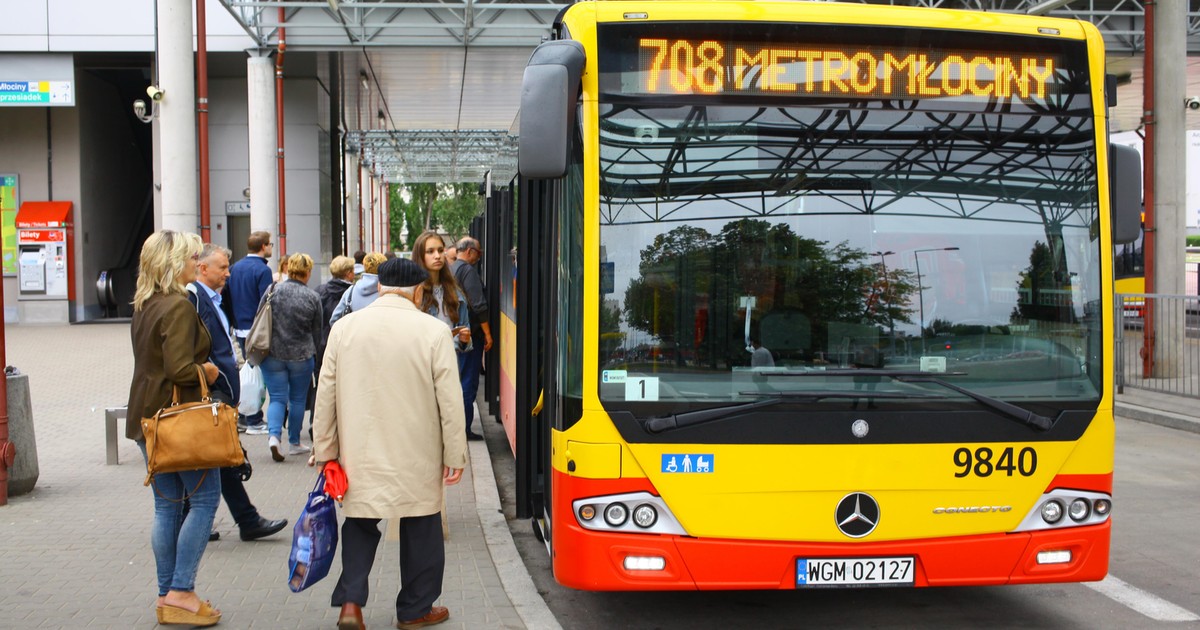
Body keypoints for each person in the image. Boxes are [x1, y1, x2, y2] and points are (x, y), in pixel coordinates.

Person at [314, 257, 467, 630]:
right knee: (422, 526)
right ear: (418, 291)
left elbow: (326, 394)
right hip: (417, 450)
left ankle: (351, 605)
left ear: (379, 286)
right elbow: (450, 399)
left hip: (358, 450)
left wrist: (325, 450)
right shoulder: (433, 331)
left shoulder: (345, 328)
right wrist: (455, 453)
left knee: (360, 524)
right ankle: (415, 610)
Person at [127, 230, 223, 627]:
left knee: (166, 509)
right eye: (188, 257)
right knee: (203, 502)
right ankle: (182, 591)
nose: (194, 263)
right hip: (179, 419)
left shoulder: (144, 304)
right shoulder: (179, 307)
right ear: (172, 263)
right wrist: (209, 370)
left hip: (146, 418)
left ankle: (168, 594)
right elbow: (180, 368)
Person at [188, 243, 289, 542]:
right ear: (203, 268)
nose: (228, 273)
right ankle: (236, 520)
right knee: (215, 460)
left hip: (220, 393)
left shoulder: (216, 298)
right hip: (209, 394)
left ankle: (242, 521)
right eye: (222, 268)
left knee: (221, 460)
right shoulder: (193, 299)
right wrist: (212, 375)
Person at [260, 252, 324, 461]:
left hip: (272, 353)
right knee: (297, 399)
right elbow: (317, 330)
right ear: (307, 272)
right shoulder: (313, 297)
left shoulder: (272, 290)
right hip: (301, 355)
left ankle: (273, 437)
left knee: (277, 398)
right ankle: (295, 442)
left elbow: (259, 315)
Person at [228, 231, 274, 434]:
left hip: (239, 327)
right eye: (270, 244)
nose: (271, 247)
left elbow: (227, 297)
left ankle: (245, 416)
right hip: (258, 330)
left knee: (247, 373)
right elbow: (267, 302)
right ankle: (254, 418)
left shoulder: (235, 268)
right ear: (264, 247)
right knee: (260, 376)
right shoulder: (263, 271)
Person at [451, 237, 492, 441]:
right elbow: (478, 304)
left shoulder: (450, 269)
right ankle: (465, 429)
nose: (480, 256)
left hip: (453, 333)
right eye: (478, 251)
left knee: (457, 380)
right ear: (469, 251)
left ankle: (456, 427)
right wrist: (487, 333)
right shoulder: (468, 271)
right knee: (468, 381)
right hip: (469, 336)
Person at [411, 231, 472, 354]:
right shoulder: (412, 291)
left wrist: (464, 340)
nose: (437, 256)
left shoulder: (455, 291)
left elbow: (465, 332)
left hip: (448, 361)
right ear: (420, 255)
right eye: (430, 251)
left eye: (440, 250)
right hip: (421, 364)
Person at [329, 251, 387, 325]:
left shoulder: (351, 290)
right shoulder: (387, 292)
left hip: (353, 335)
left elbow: (334, 319)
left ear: (364, 266)